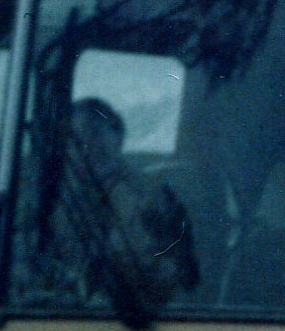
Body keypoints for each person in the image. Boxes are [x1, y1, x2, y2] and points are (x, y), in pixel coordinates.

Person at [37, 96, 199, 316]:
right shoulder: (52, 197)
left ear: (117, 140)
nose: (89, 146)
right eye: (76, 138)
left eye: (96, 134)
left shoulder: (152, 198)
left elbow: (177, 276)